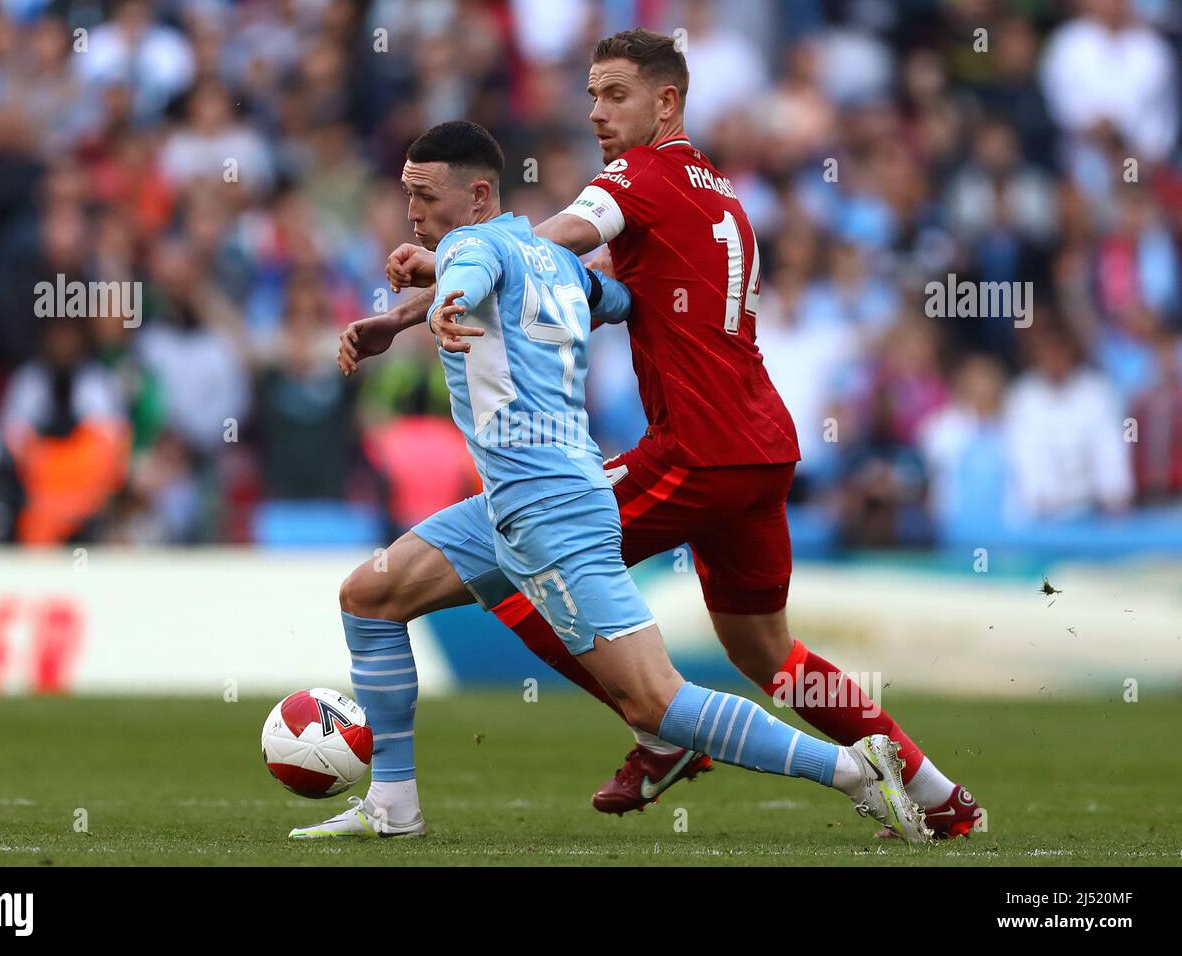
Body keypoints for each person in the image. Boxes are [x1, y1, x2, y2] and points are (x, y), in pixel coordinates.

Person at [340, 30, 979, 839]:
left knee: (514, 569)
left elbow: (557, 241)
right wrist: (424, 305)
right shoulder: (722, 193)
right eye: (591, 98)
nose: (598, 114)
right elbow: (609, 293)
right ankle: (936, 792)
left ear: (666, 101)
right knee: (768, 655)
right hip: (763, 445)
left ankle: (659, 731)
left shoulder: (637, 176)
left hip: (697, 451)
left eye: (615, 95)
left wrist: (442, 273)